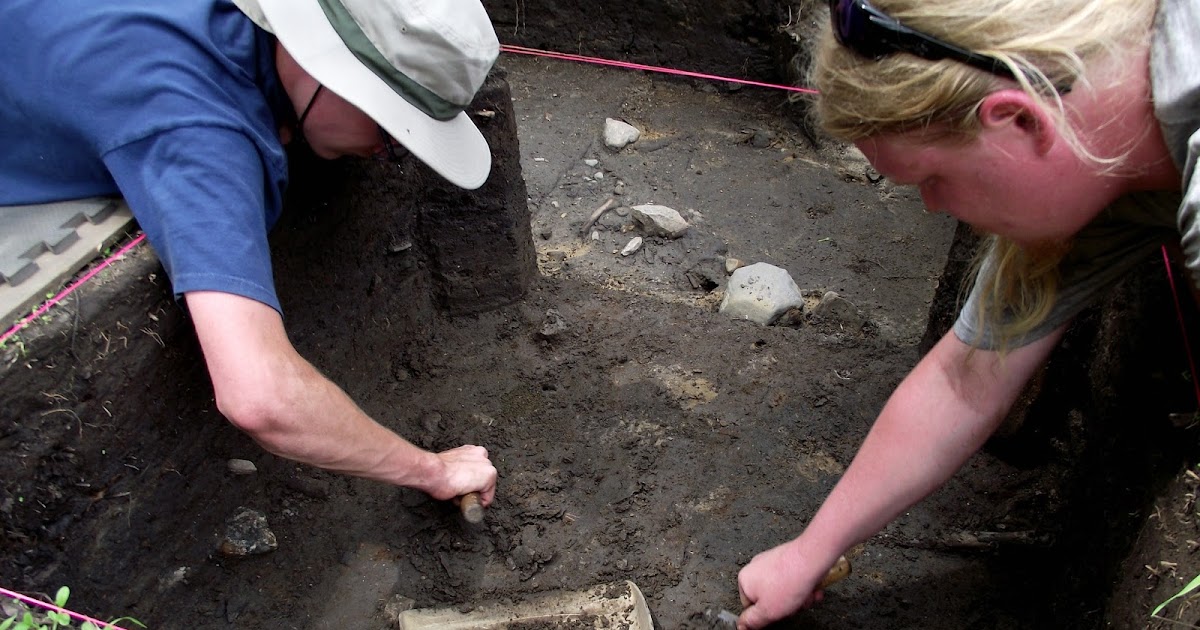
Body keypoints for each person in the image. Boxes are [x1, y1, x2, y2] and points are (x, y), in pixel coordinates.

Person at [736, 0, 1193, 627]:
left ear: (1016, 120)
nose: (930, 208)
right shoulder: (1095, 155)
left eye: (933, 179)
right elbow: (963, 378)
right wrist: (808, 553)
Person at [0, 0, 500, 509]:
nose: (389, 152)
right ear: (329, 68)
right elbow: (262, 398)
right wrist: (432, 470)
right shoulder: (197, 131)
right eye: (392, 131)